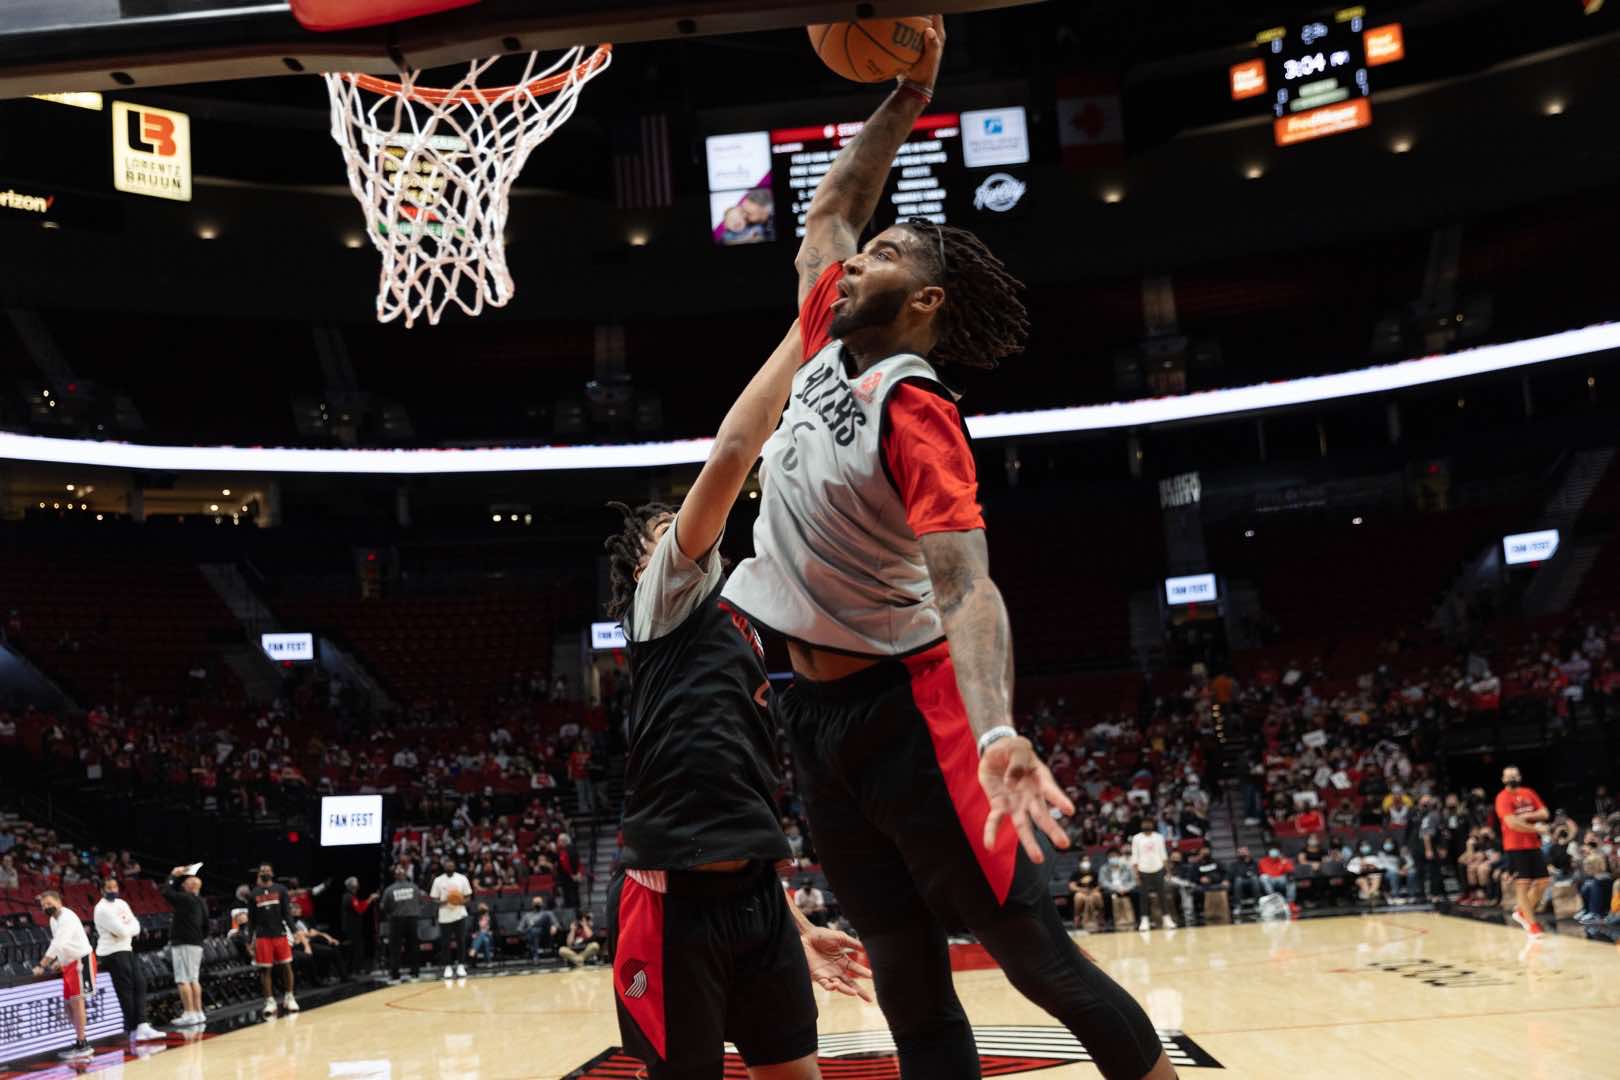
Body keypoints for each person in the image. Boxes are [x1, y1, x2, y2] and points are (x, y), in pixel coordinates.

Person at [716, 19, 1173, 1078]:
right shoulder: (827, 330)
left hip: (909, 710)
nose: (855, 256)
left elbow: (964, 583)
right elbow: (830, 208)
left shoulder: (912, 405)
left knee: (1033, 959)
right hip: (815, 712)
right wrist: (905, 102)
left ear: (923, 299)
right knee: (903, 973)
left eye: (882, 257)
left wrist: (997, 727)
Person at [603, 321, 870, 1080]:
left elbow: (730, 802)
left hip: (757, 898)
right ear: (642, 571)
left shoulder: (740, 626)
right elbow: (730, 453)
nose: (687, 530)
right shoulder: (661, 602)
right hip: (670, 904)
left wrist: (792, 920)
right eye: (666, 529)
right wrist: (806, 331)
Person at [93, 878, 163, 1042]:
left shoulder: (122, 903)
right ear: (102, 890)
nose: (112, 890)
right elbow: (123, 931)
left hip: (126, 949)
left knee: (140, 984)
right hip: (112, 952)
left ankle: (142, 1024)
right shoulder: (101, 909)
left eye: (115, 887)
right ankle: (133, 1028)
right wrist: (126, 929)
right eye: (108, 887)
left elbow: (136, 926)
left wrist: (126, 929)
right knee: (126, 990)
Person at [32, 890, 95, 1059]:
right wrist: (59, 961)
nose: (46, 907)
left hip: (81, 960)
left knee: (77, 1001)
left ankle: (83, 1044)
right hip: (68, 963)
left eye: (49, 903)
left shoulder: (67, 916)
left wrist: (42, 964)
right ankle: (81, 1039)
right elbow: (60, 943)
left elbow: (60, 942)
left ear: (59, 901)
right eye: (43, 905)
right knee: (68, 1005)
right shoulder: (53, 919)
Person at [1496, 765, 1551, 936]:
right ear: (1503, 779)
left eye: (1515, 775)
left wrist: (1526, 816)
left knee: (1543, 882)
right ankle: (1532, 925)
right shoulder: (1502, 797)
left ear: (1520, 776)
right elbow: (1512, 824)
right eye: (1508, 776)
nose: (1512, 778)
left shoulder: (1529, 793)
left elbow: (1544, 813)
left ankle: (1521, 911)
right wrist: (1536, 829)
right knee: (1523, 884)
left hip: (1533, 845)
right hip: (1515, 846)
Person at [250, 862, 298, 1015]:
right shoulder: (254, 893)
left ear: (272, 873)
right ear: (259, 873)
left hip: (280, 933)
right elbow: (252, 920)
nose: (265, 872)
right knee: (266, 970)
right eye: (262, 870)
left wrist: (295, 931)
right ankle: (269, 1001)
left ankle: (289, 997)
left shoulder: (281, 890)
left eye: (267, 870)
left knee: (286, 966)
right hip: (263, 936)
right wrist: (249, 941)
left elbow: (287, 914)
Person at [164, 866, 209, 1025]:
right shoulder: (201, 901)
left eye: (185, 883)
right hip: (197, 943)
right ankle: (198, 1012)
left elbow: (167, 892)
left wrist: (173, 875)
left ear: (189, 886)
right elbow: (207, 925)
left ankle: (189, 1013)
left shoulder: (185, 899)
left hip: (184, 943)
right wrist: (199, 939)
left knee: (183, 979)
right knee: (194, 979)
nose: (182, 885)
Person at [380, 864, 425, 982]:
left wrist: (392, 912)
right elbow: (421, 902)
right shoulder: (414, 887)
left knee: (395, 948)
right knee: (413, 947)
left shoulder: (389, 889)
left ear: (395, 876)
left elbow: (383, 907)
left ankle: (395, 974)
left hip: (396, 921)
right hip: (412, 920)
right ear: (405, 875)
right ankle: (415, 972)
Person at [430, 858, 473, 978]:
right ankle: (447, 967)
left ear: (454, 866)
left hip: (459, 913)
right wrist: (443, 902)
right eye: (447, 865)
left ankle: (461, 966)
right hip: (444, 915)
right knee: (445, 943)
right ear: (444, 867)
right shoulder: (438, 880)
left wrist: (461, 901)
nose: (449, 867)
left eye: (451, 865)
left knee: (461, 941)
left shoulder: (462, 878)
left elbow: (468, 895)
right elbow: (433, 898)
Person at [1131, 820, 1175, 930]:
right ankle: (1144, 921)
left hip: (1158, 868)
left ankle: (1167, 919)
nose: (1147, 825)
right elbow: (1135, 856)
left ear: (1152, 825)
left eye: (1149, 823)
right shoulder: (1136, 838)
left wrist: (1168, 871)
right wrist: (1136, 874)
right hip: (1143, 869)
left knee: (1162, 895)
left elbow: (1163, 854)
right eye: (1145, 823)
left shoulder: (1159, 837)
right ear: (1141, 825)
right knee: (1144, 897)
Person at [340, 876, 378, 977]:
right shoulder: (349, 897)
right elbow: (360, 909)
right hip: (351, 929)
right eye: (356, 885)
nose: (358, 887)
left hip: (354, 928)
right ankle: (353, 971)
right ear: (352, 886)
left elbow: (359, 905)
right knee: (355, 949)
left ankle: (354, 970)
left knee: (356, 949)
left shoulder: (351, 897)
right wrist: (370, 899)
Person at [1068, 857, 1103, 932]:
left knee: (1098, 895)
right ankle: (1077, 916)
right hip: (1081, 892)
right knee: (1078, 897)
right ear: (1080, 863)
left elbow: (1100, 885)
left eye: (1087, 861)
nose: (1086, 862)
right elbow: (1071, 886)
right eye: (1084, 861)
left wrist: (1093, 890)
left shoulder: (1093, 873)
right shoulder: (1075, 873)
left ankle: (1100, 916)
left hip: (1092, 892)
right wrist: (1082, 890)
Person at [519, 895, 558, 961]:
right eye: (536, 903)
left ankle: (536, 955)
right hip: (532, 935)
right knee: (533, 931)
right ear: (532, 904)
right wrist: (526, 932)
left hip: (546, 934)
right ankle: (535, 956)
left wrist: (554, 927)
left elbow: (556, 924)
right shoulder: (527, 915)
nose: (537, 904)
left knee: (545, 916)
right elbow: (520, 929)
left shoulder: (548, 913)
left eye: (539, 903)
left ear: (542, 904)